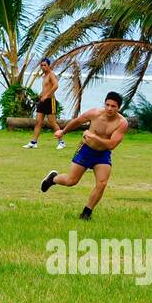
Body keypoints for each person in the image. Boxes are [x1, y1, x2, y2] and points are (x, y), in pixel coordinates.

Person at [40, 91, 129, 220]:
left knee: (102, 183)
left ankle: (86, 213)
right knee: (71, 181)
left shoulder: (122, 123)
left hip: (103, 154)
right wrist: (63, 132)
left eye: (113, 106)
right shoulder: (94, 113)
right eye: (107, 104)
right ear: (104, 104)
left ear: (119, 108)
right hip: (86, 149)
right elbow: (78, 121)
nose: (109, 108)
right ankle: (52, 179)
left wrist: (94, 136)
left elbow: (111, 145)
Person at [24, 58, 63, 150]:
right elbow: (46, 88)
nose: (43, 67)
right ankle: (34, 142)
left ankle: (61, 142)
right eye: (41, 65)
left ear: (49, 66)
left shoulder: (51, 74)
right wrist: (41, 95)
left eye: (45, 65)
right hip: (42, 101)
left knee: (52, 122)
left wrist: (47, 96)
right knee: (38, 122)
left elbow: (56, 85)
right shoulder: (44, 76)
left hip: (50, 101)